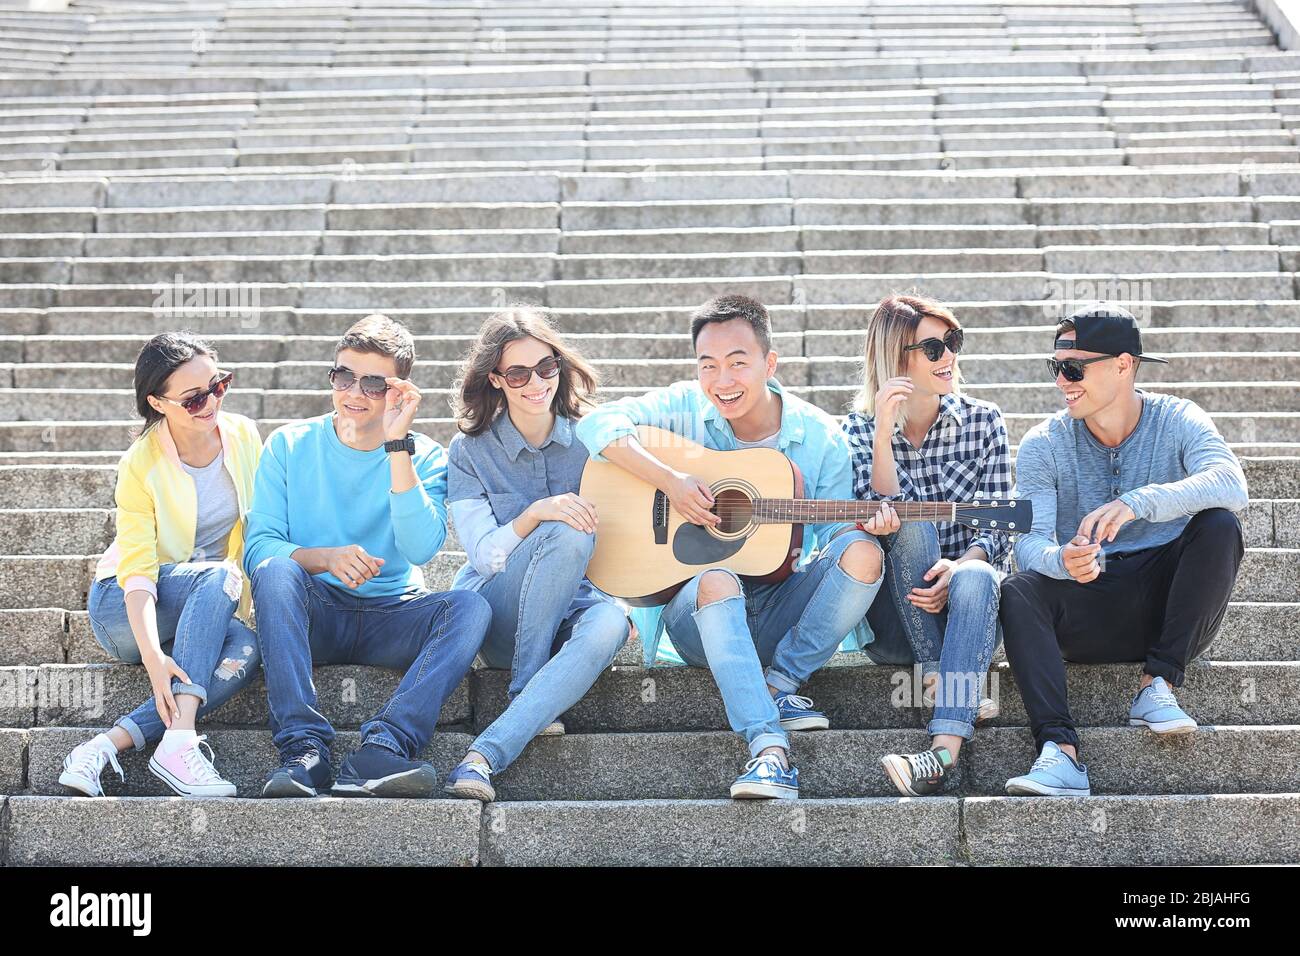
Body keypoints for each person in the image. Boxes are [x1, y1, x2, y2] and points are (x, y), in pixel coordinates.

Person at [573, 293, 886, 800]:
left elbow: (834, 542)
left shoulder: (822, 437)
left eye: (738, 363)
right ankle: (769, 749)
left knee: (863, 551)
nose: (722, 381)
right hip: (698, 620)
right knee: (717, 578)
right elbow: (595, 424)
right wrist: (671, 481)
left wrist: (867, 527)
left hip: (785, 614)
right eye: (709, 365)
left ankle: (777, 685)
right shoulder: (681, 409)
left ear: (770, 363)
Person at [1000, 304, 1248, 797]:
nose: (1062, 382)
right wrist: (1060, 561)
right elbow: (1027, 541)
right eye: (1056, 368)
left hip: (1170, 607)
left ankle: (1158, 685)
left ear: (1123, 364)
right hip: (1090, 604)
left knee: (1220, 525)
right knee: (1018, 588)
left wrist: (1138, 503)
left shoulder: (1177, 418)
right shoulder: (1042, 443)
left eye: (1073, 368)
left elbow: (1232, 483)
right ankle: (1060, 753)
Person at [245, 313, 492, 798]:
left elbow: (422, 548)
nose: (354, 392)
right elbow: (259, 547)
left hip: (392, 616)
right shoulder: (289, 445)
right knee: (276, 572)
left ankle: (384, 749)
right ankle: (303, 750)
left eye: (374, 383)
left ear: (399, 390)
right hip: (314, 614)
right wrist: (324, 558)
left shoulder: (425, 455)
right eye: (343, 376)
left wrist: (396, 444)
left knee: (471, 606)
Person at [440, 307, 636, 802]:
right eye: (518, 373)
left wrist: (623, 601)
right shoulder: (468, 451)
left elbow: (629, 532)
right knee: (567, 529)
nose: (535, 383)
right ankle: (526, 681)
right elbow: (484, 557)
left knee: (611, 623)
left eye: (546, 368)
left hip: (572, 611)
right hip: (500, 615)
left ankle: (482, 756)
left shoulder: (594, 439)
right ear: (496, 379)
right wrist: (534, 516)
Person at [60, 332, 262, 798]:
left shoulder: (243, 435)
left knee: (244, 651)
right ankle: (179, 743)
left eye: (218, 385)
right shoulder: (140, 463)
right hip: (125, 608)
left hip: (207, 603)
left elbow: (262, 526)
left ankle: (105, 745)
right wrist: (153, 657)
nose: (211, 403)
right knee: (217, 576)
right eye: (193, 399)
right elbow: (137, 574)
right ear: (158, 401)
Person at [842, 294, 1011, 796]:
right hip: (897, 617)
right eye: (934, 348)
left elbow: (1000, 527)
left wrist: (960, 568)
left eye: (953, 342)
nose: (950, 357)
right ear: (897, 359)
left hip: (969, 613)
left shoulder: (984, 421)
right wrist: (880, 434)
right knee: (909, 525)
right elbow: (876, 520)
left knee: (980, 574)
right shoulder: (853, 430)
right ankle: (942, 674)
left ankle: (940, 753)